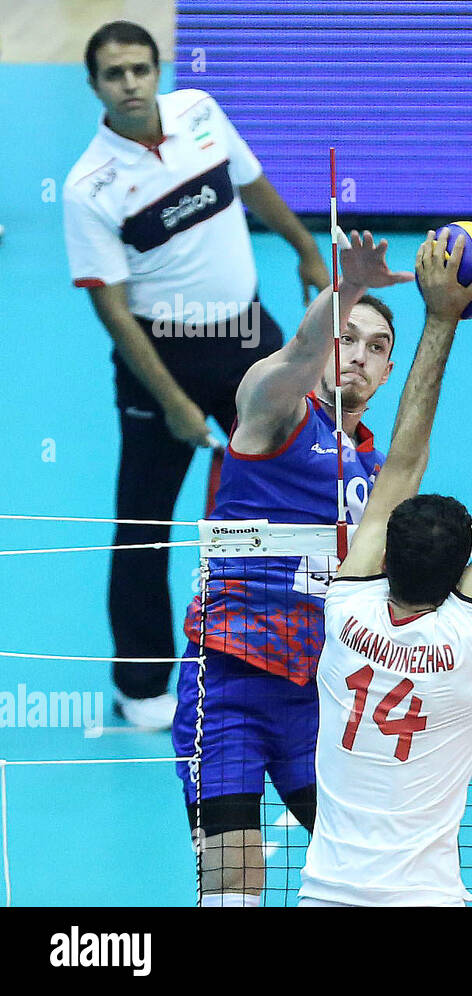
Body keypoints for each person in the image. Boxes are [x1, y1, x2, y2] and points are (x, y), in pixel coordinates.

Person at [298, 240, 472, 906]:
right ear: (466, 567)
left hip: (325, 896)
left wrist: (438, 319)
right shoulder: (469, 637)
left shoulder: (345, 613)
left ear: (380, 555)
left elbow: (400, 465)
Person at [62, 21, 329, 728]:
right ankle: (143, 684)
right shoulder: (90, 187)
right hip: (164, 355)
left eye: (140, 69)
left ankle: (307, 645)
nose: (130, 84)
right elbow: (114, 313)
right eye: (114, 73)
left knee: (299, 492)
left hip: (250, 338)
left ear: (158, 71)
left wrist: (305, 249)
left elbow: (252, 183)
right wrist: (177, 403)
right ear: (94, 85)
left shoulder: (200, 112)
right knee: (144, 522)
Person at [173, 229, 415, 906]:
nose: (358, 356)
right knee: (233, 889)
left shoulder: (377, 468)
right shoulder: (272, 412)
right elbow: (306, 351)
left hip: (317, 699)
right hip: (226, 687)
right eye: (350, 337)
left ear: (388, 373)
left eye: (377, 348)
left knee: (377, 874)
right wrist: (348, 289)